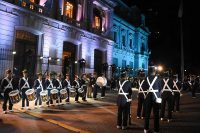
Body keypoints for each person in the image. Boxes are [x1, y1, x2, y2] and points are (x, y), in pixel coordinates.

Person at [143, 66, 162, 133]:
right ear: (154, 71)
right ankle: (156, 130)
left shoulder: (146, 78)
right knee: (156, 114)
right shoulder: (158, 78)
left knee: (147, 114)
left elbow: (144, 88)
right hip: (155, 97)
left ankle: (146, 129)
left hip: (148, 97)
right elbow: (160, 89)